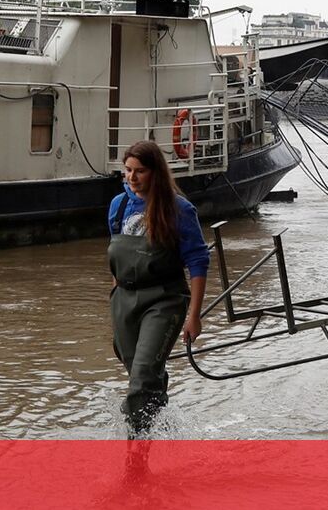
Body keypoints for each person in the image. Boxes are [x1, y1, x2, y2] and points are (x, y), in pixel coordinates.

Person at [108, 141, 209, 436]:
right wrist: (115, 303)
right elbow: (117, 256)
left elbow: (198, 262)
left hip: (164, 298)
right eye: (127, 170)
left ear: (156, 172)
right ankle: (164, 433)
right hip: (124, 299)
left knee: (142, 376)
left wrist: (194, 315)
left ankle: (135, 448)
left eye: (140, 171)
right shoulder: (118, 206)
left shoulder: (179, 209)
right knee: (142, 377)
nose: (132, 177)